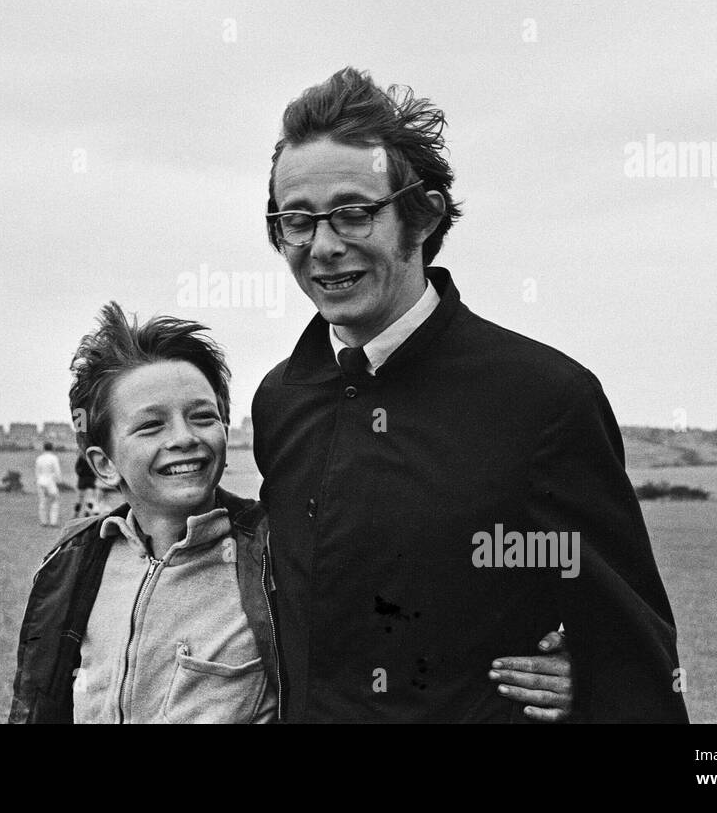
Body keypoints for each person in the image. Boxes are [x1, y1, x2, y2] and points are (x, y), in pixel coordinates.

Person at [252, 68, 686, 722]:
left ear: (422, 215)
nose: (323, 246)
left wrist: (590, 678)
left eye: (353, 212)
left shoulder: (544, 400)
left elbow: (635, 658)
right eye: (297, 220)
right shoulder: (278, 401)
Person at [9, 304, 570, 724]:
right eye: (151, 425)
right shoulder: (73, 567)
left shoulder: (280, 556)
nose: (184, 439)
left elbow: (414, 620)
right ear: (104, 464)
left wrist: (572, 663)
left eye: (202, 417)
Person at [33, 442, 63, 527]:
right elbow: (57, 471)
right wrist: (59, 481)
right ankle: (53, 522)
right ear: (52, 448)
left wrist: (37, 480)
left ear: (44, 448)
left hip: (40, 481)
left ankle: (44, 522)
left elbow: (37, 471)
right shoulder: (54, 458)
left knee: (43, 502)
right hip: (50, 481)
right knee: (54, 501)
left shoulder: (39, 458)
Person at [73, 452, 97, 518]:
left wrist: (81, 474)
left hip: (82, 481)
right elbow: (96, 470)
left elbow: (77, 469)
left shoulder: (81, 458)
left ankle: (76, 514)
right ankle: (88, 512)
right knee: (90, 499)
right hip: (90, 481)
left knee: (79, 499)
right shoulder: (92, 459)